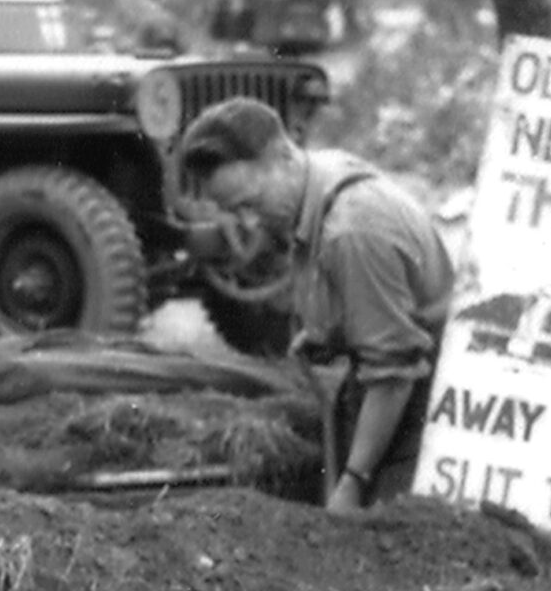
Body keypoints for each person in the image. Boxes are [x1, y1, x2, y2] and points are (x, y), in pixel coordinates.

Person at [172, 96, 454, 516]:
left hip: (420, 397)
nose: (248, 225)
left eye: (250, 204)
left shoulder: (352, 230)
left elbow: (394, 374)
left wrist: (354, 481)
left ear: (284, 158)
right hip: (384, 374)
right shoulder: (317, 179)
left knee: (378, 536)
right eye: (233, 213)